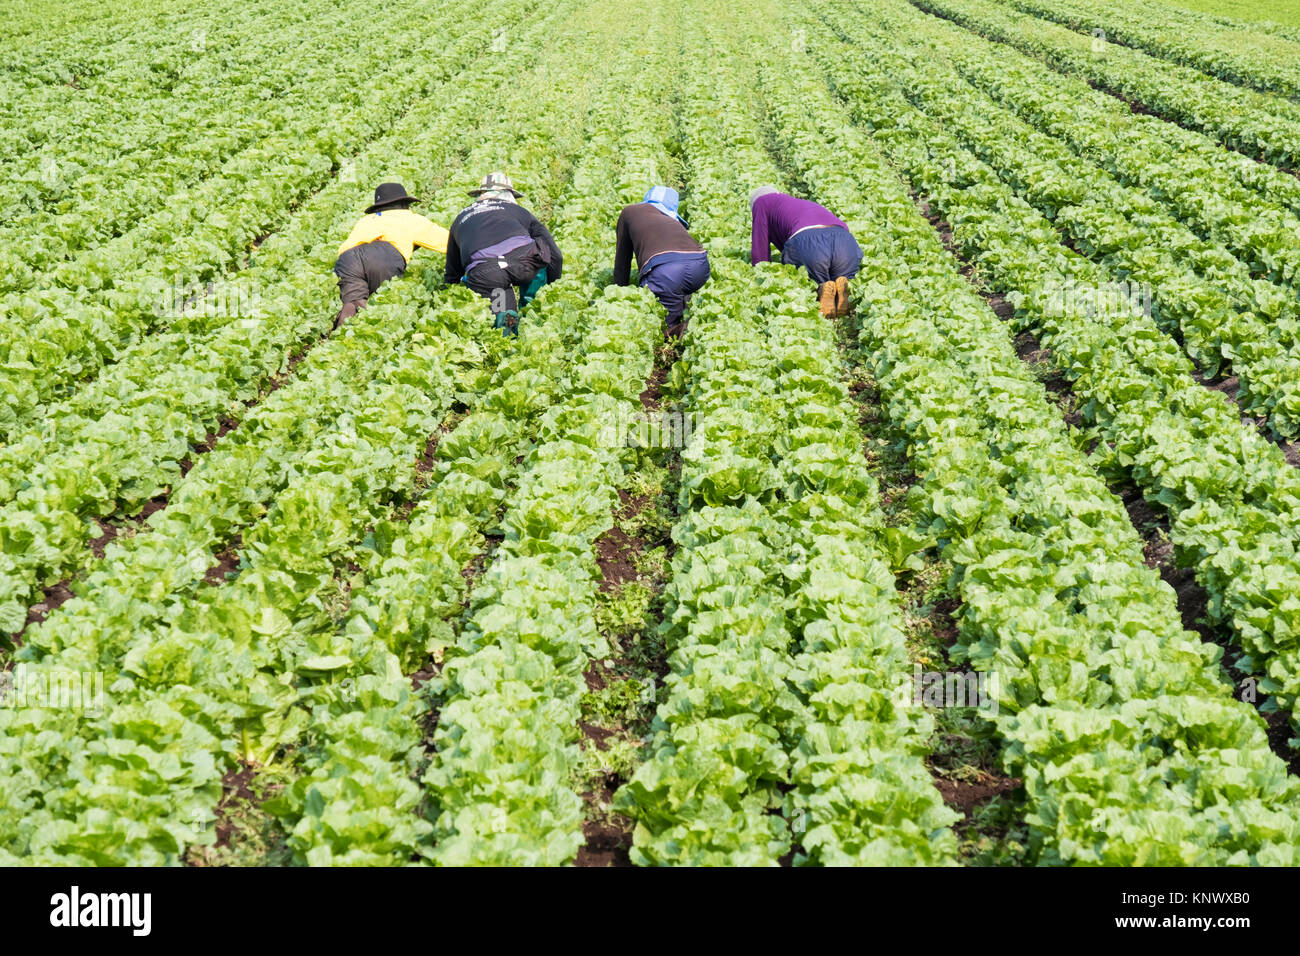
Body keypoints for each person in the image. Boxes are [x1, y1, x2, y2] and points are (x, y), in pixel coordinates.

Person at [444, 172, 563, 336]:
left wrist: (447, 296)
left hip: (488, 272)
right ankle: (533, 311)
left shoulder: (461, 218)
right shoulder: (518, 211)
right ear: (509, 195)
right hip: (525, 263)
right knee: (539, 255)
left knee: (503, 316)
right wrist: (552, 288)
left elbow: (453, 272)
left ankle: (507, 325)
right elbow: (555, 255)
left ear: (481, 195)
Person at [334, 182, 448, 325]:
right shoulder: (409, 218)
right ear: (404, 203)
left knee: (353, 301)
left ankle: (341, 335)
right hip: (381, 257)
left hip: (347, 259)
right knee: (380, 304)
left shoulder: (367, 220)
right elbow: (447, 242)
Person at [614, 186, 711, 339]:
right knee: (680, 296)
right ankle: (686, 328)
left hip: (667, 271)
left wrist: (619, 295)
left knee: (662, 328)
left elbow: (622, 261)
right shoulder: (672, 223)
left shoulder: (629, 212)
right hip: (700, 265)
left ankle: (672, 341)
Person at [750, 185, 861, 317]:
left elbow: (760, 250)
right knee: (839, 276)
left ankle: (821, 288)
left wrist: (761, 274)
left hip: (809, 244)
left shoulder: (761, 202)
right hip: (845, 242)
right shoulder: (799, 203)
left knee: (808, 280)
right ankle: (841, 287)